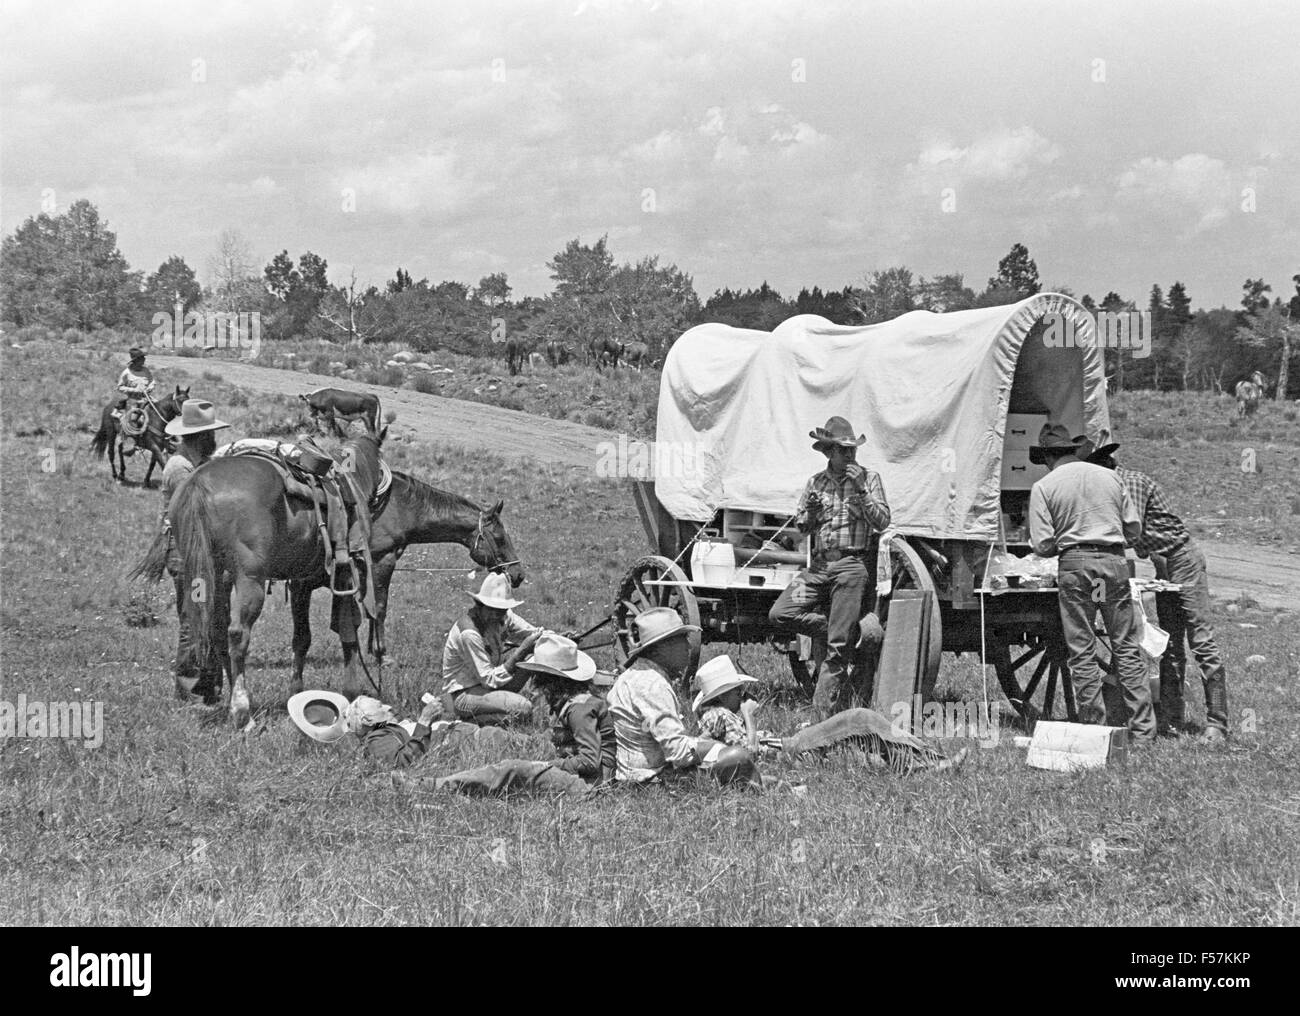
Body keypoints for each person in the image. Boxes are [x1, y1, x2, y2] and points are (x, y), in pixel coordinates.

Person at [1083, 440, 1229, 743]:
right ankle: (1171, 718)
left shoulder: (1130, 483)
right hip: (1162, 561)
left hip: (1182, 557)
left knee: (1200, 639)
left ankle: (1217, 722)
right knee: (1171, 645)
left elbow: (1126, 529)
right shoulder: (1117, 485)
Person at [1028, 424, 1155, 743]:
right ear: (1073, 450)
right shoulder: (1111, 477)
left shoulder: (1044, 486)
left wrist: (1069, 540)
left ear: (1046, 457)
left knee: (1081, 648)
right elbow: (1133, 529)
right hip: (1112, 563)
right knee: (1125, 646)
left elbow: (1042, 544)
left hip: (1076, 566)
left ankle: (1095, 730)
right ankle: (1142, 729)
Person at [768, 416, 890, 719]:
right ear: (828, 453)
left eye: (852, 450)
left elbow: (883, 521)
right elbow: (803, 527)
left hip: (851, 565)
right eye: (843, 451)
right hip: (820, 566)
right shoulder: (815, 482)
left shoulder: (869, 479)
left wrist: (861, 491)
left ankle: (820, 718)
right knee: (781, 613)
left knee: (836, 650)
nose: (850, 456)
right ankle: (845, 629)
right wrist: (810, 512)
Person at [413, 635, 613, 798]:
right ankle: (458, 733)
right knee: (498, 735)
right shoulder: (576, 703)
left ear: (551, 682)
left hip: (590, 786)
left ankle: (433, 786)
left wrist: (550, 764)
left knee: (512, 769)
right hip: (582, 772)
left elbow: (589, 762)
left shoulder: (579, 709)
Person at [692, 655, 966, 774]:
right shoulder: (718, 715)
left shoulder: (718, 715)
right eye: (737, 690)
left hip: (789, 748)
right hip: (790, 748)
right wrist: (749, 716)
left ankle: (924, 765)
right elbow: (747, 754)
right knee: (859, 718)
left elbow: (699, 745)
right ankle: (931, 758)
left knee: (866, 751)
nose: (743, 694)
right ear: (721, 695)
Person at [605, 607, 756, 787]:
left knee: (734, 763)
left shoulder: (630, 677)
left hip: (637, 775)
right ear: (662, 647)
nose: (688, 646)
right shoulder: (653, 685)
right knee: (737, 756)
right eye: (682, 639)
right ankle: (767, 792)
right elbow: (678, 752)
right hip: (653, 780)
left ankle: (769, 786)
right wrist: (717, 747)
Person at [162, 400, 230, 702]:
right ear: (201, 436)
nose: (214, 440)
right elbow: (192, 519)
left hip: (201, 550)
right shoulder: (180, 469)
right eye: (210, 434)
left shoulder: (197, 464)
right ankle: (189, 691)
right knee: (195, 616)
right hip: (187, 552)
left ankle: (210, 687)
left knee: (212, 616)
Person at [287, 690, 504, 766]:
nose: (388, 706)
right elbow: (403, 761)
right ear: (369, 720)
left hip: (469, 735)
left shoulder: (385, 731)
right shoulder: (377, 740)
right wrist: (424, 721)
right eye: (380, 706)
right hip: (469, 740)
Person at [440, 572, 544, 726]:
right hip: (466, 693)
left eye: (503, 609)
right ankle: (471, 721)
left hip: (491, 684)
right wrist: (521, 651)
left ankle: (503, 714)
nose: (499, 615)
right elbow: (489, 680)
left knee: (535, 659)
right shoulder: (469, 633)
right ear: (481, 605)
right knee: (523, 707)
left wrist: (557, 638)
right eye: (495, 609)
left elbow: (533, 633)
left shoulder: (503, 615)